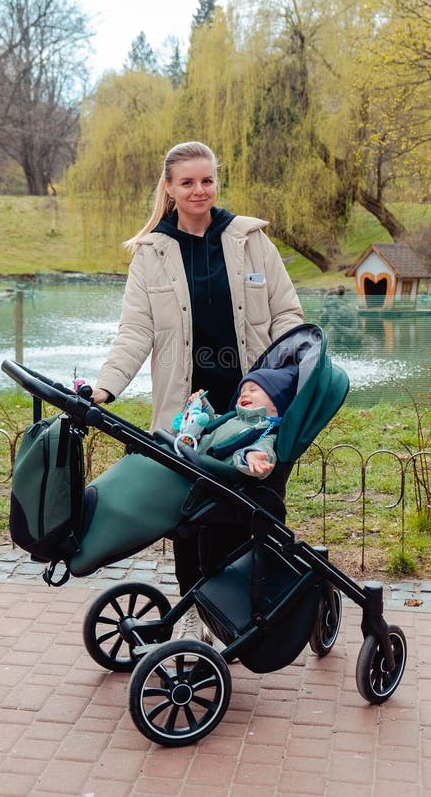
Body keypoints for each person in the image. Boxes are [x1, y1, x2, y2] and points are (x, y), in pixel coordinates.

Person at [91, 140, 303, 638]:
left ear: (216, 182)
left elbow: (288, 315)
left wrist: (284, 380)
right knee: (188, 516)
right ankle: (196, 617)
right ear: (168, 188)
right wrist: (104, 389)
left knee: (251, 509)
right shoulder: (151, 254)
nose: (199, 190)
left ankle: (251, 609)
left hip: (251, 406)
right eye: (187, 182)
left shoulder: (251, 241)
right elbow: (135, 332)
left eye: (207, 180)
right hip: (187, 413)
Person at [186, 365, 298, 478]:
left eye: (253, 390)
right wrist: (204, 406)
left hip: (210, 471)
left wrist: (252, 456)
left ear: (276, 404)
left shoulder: (265, 431)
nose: (244, 394)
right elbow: (212, 424)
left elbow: (265, 449)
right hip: (188, 452)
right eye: (241, 392)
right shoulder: (234, 417)